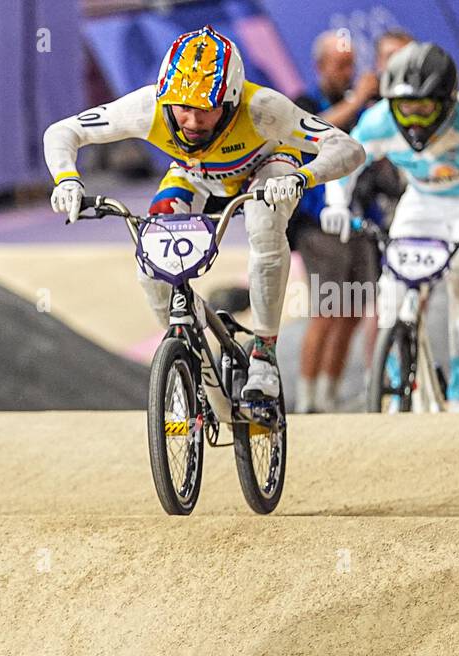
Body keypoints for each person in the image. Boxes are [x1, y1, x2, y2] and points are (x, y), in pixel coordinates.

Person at [45, 25, 365, 400]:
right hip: (195, 176)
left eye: (207, 110)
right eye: (184, 109)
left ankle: (264, 356)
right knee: (150, 267)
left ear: (231, 100)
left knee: (265, 225)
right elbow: (62, 132)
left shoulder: (262, 108)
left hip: (265, 170)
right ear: (167, 96)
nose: (193, 122)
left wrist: (302, 176)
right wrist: (67, 179)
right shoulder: (149, 106)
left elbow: (347, 148)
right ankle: (185, 352)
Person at [321, 41, 459, 411]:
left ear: (447, 102)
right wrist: (336, 205)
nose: (413, 119)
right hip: (424, 200)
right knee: (392, 290)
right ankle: (395, 386)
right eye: (404, 108)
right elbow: (343, 160)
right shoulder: (379, 121)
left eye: (424, 108)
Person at [288, 29, 383, 413]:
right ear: (320, 66)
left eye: (352, 66)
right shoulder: (303, 102)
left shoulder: (361, 106)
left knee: (353, 311)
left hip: (359, 223)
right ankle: (306, 400)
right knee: (326, 312)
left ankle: (329, 394)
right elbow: (316, 134)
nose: (348, 72)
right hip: (319, 226)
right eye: (340, 65)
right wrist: (359, 98)